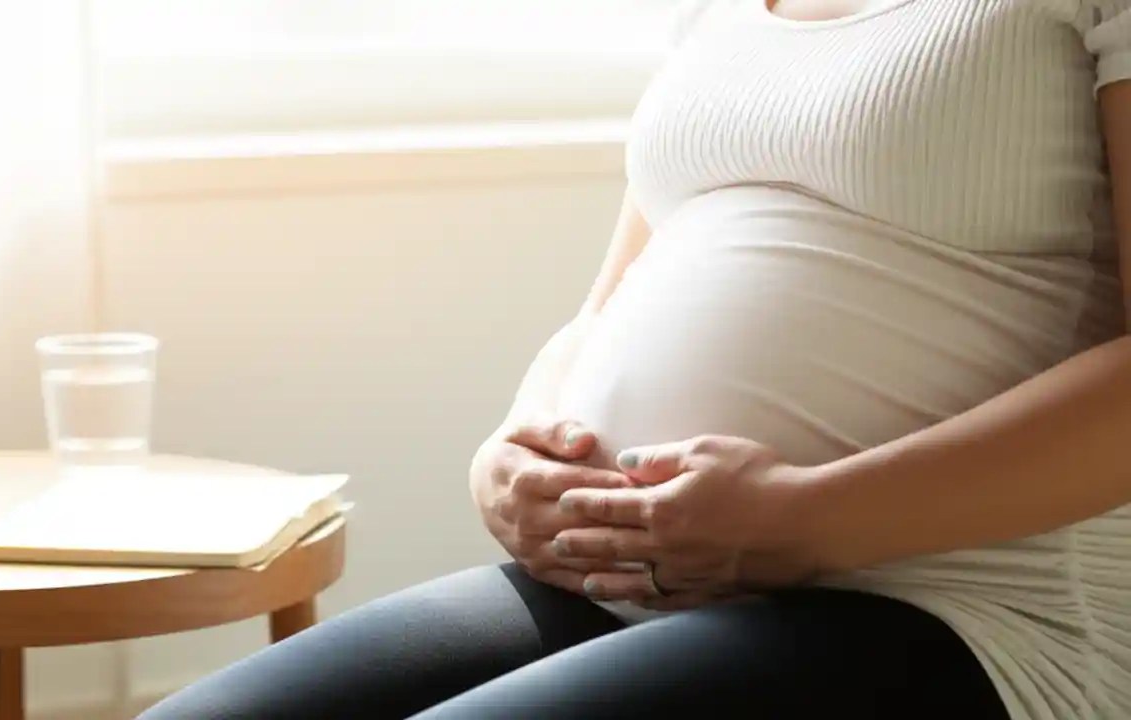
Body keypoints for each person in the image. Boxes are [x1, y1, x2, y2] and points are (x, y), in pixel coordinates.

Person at [139, 0, 1131, 717]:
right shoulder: (716, 15)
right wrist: (504, 457)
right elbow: (604, 307)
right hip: (619, 583)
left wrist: (803, 517)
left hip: (958, 610)